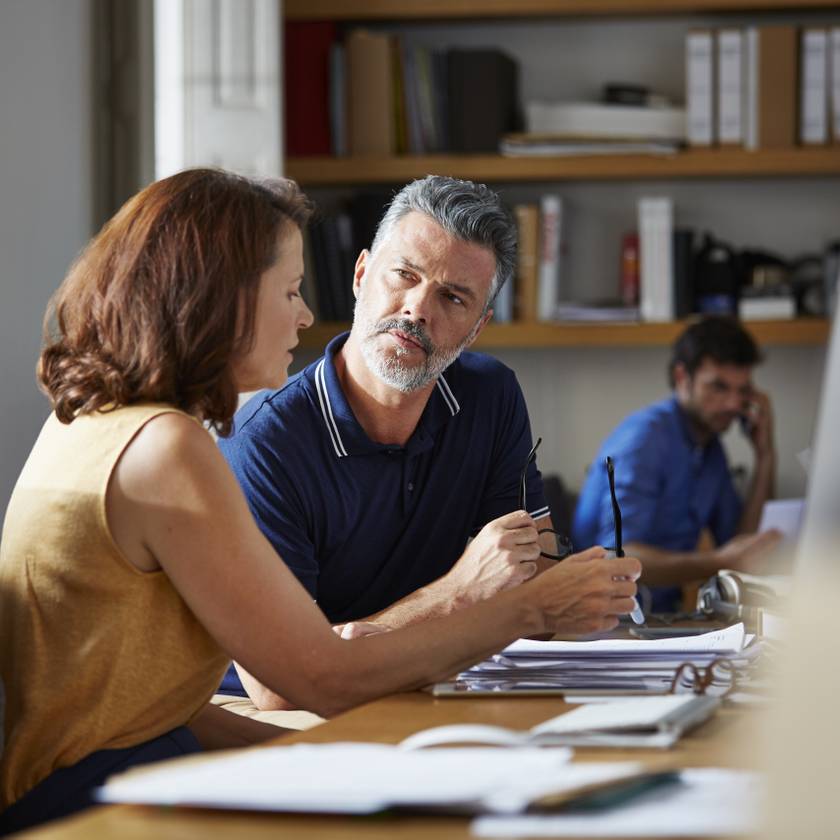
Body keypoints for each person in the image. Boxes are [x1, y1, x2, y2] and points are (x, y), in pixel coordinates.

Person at [0, 168, 639, 832]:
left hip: (100, 777)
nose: (305, 315)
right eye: (291, 290)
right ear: (222, 299)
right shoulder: (167, 450)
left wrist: (346, 758)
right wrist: (527, 606)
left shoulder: (92, 423)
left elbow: (150, 705)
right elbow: (319, 679)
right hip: (86, 807)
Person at [218, 175, 604, 710]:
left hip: (431, 690)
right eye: (404, 275)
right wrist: (460, 594)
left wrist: (577, 591)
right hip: (289, 725)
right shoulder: (263, 442)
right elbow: (281, 686)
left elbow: (529, 580)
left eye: (453, 297)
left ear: (477, 327)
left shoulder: (491, 396)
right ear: (360, 275)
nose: (418, 310)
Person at [572, 315, 781, 613]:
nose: (734, 405)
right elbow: (616, 557)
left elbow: (743, 545)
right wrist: (719, 562)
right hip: (603, 621)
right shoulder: (644, 440)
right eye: (719, 387)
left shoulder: (710, 449)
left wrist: (765, 454)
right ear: (683, 378)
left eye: (743, 390)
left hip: (661, 619)